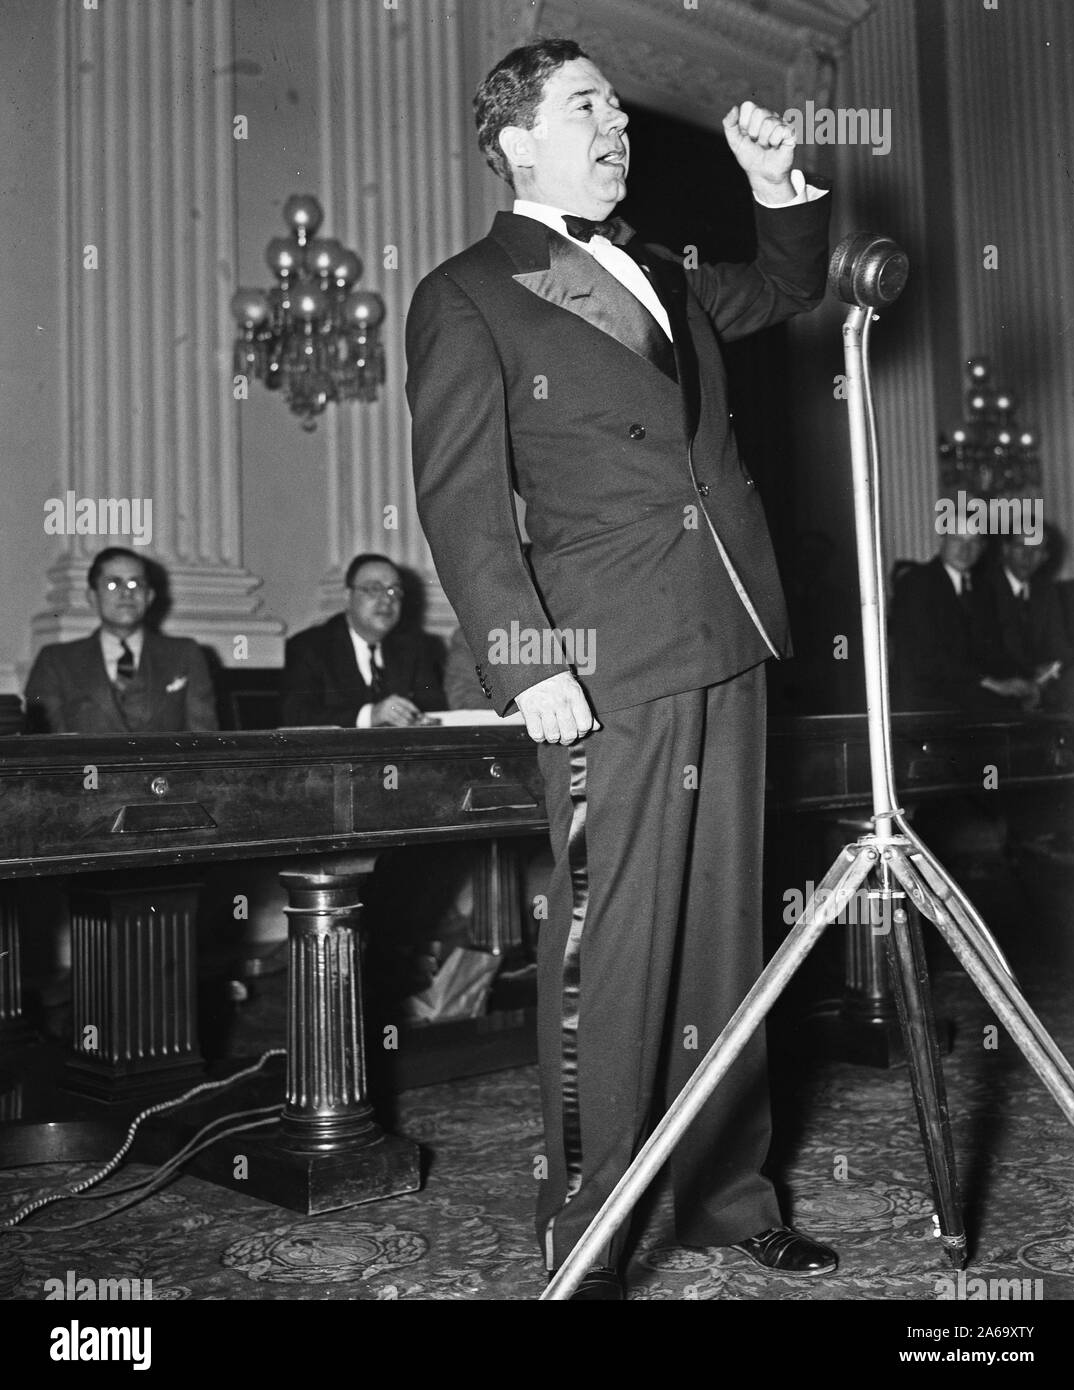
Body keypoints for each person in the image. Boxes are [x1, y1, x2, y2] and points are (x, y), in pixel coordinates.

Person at [405, 38, 837, 1298]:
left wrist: (774, 186)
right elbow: (462, 501)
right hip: (600, 662)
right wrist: (525, 659)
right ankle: (587, 1231)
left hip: (730, 628)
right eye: (586, 105)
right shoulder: (470, 292)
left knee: (724, 936)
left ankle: (723, 1194)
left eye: (617, 108)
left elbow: (786, 288)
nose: (617, 125)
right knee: (612, 948)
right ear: (515, 140)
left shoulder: (661, 266)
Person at [24, 546, 218, 733]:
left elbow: (205, 741)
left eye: (136, 583)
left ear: (149, 596)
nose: (127, 592)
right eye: (113, 583)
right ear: (92, 596)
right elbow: (42, 748)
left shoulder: (184, 654)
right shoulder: (56, 661)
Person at [279, 553, 446, 727]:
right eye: (374, 589)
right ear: (347, 596)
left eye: (394, 591)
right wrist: (369, 716)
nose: (387, 600)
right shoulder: (309, 647)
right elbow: (295, 716)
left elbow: (432, 710)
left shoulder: (415, 647)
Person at [890, 526, 1040, 712]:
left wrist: (1023, 680)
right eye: (957, 540)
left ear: (983, 547)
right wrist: (988, 682)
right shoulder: (916, 582)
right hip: (925, 695)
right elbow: (927, 656)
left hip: (963, 689)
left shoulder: (980, 589)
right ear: (942, 541)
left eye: (973, 542)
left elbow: (991, 649)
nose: (965, 549)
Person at [971, 534, 1074, 715]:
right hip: (1000, 684)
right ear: (1005, 549)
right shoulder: (983, 587)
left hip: (1041, 684)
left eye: (1036, 550)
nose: (1027, 555)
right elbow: (983, 655)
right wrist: (1029, 675)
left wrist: (1051, 668)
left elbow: (1062, 649)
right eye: (1020, 546)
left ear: (1045, 556)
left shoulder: (1046, 591)